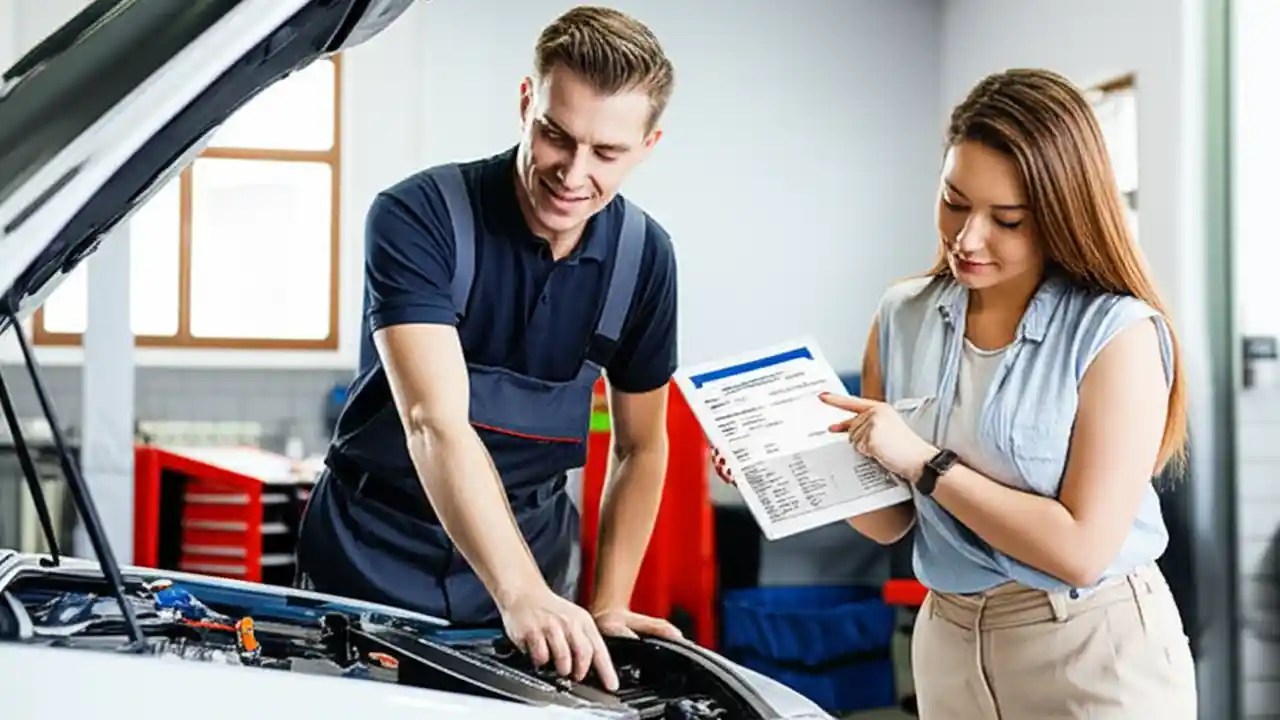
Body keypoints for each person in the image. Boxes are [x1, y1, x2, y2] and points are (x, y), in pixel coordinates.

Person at [716, 68, 1198, 718]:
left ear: (1061, 214)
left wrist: (924, 462)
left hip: (1090, 645)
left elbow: (1081, 553)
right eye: (953, 200)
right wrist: (784, 477)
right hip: (948, 642)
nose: (967, 239)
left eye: (1007, 219)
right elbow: (889, 519)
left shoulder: (1115, 333)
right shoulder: (902, 315)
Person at [295, 6, 682, 692]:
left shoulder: (644, 258)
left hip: (532, 554)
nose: (572, 172)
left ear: (649, 146)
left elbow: (641, 446)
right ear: (527, 102)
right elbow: (433, 422)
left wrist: (609, 601)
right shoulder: (420, 216)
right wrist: (521, 593)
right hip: (373, 551)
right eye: (556, 136)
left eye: (607, 152)